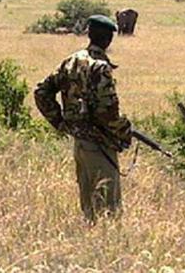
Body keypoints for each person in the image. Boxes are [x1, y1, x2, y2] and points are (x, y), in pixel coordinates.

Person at [34, 15, 132, 222]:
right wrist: (123, 131)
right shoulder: (100, 67)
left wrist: (60, 123)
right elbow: (108, 111)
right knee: (108, 211)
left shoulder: (71, 61)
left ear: (89, 34)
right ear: (108, 40)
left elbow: (42, 92)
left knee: (89, 210)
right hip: (100, 145)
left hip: (80, 143)